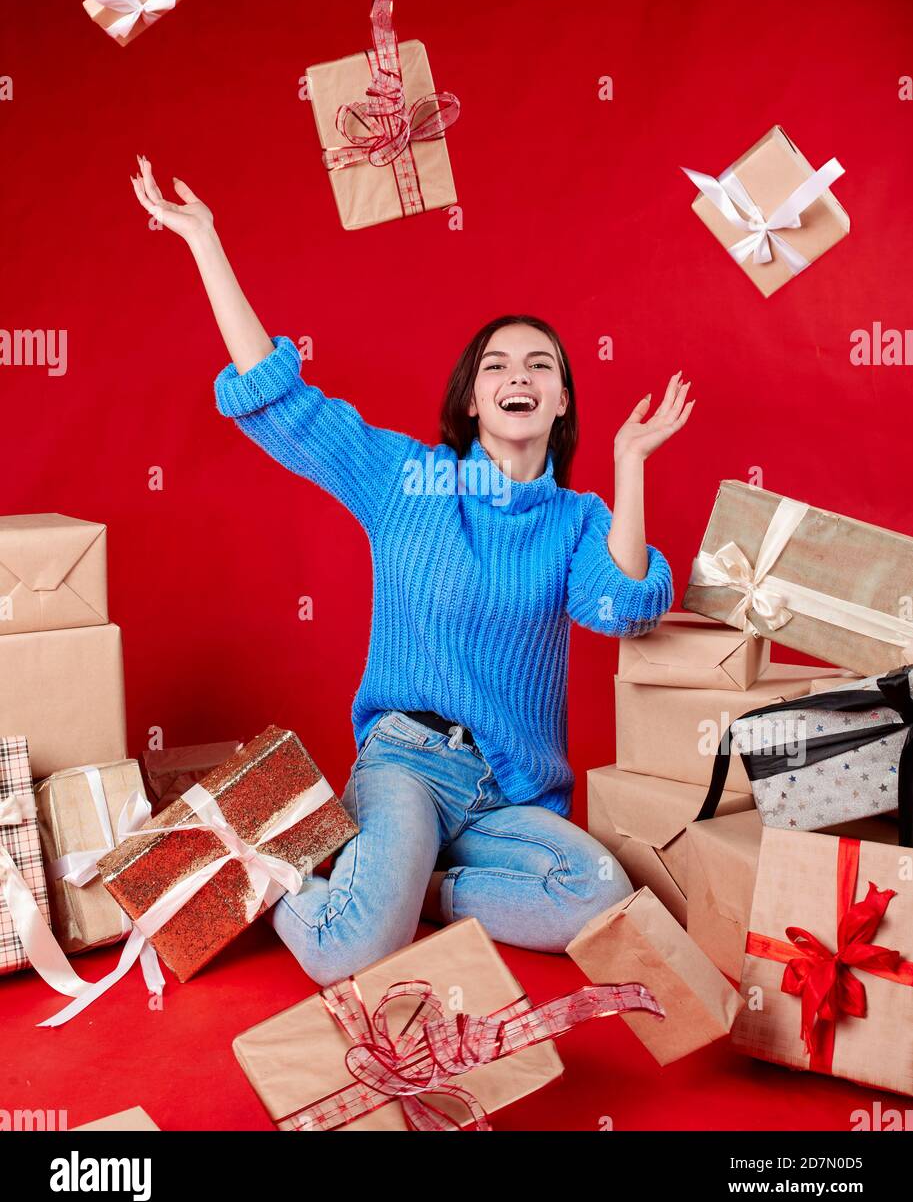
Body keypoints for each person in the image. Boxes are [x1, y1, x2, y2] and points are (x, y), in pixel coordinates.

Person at [130, 156, 693, 985]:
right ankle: (268, 854)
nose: (519, 377)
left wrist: (630, 464)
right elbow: (278, 401)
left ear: (563, 401)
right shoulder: (410, 484)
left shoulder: (579, 521)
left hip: (510, 793)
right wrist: (206, 241)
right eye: (498, 365)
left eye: (541, 365)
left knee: (597, 888)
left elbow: (623, 608)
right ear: (472, 399)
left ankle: (421, 889)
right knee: (348, 951)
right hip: (407, 762)